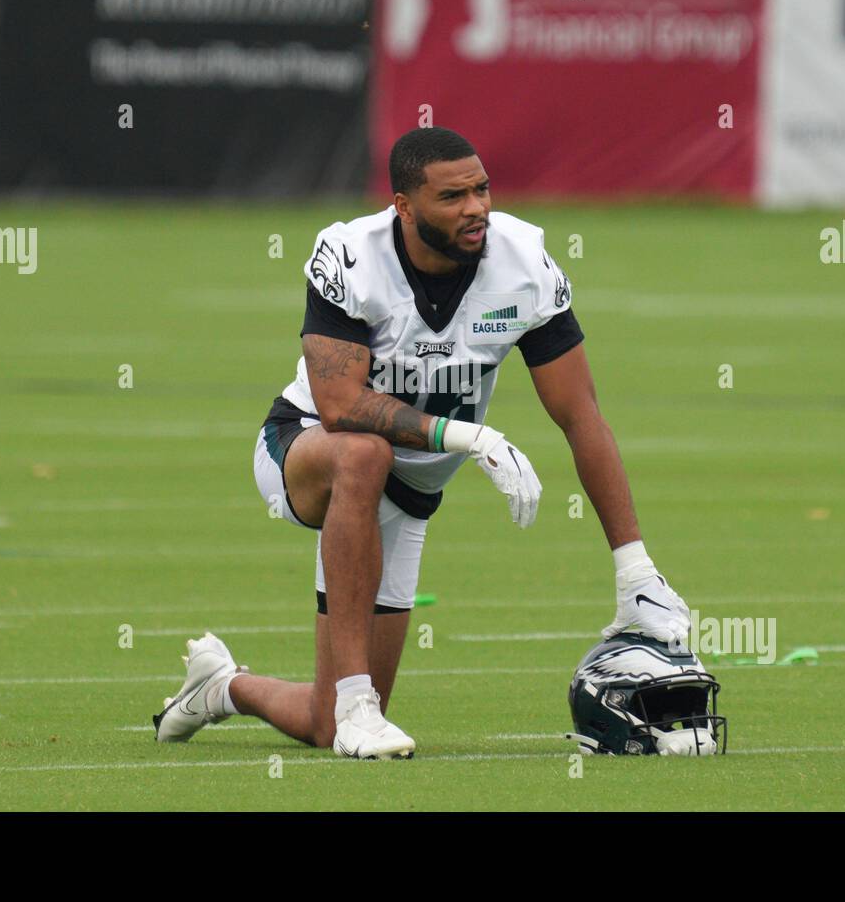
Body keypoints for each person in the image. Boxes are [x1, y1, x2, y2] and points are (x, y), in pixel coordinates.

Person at [153, 127, 691, 758]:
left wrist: (636, 570)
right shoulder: (353, 254)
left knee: (324, 728)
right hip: (308, 448)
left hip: (409, 493)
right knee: (364, 452)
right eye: (452, 196)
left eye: (482, 189)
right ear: (404, 206)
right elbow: (340, 405)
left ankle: (223, 687)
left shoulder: (522, 262)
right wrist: (470, 435)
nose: (476, 208)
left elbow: (582, 416)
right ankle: (358, 704)